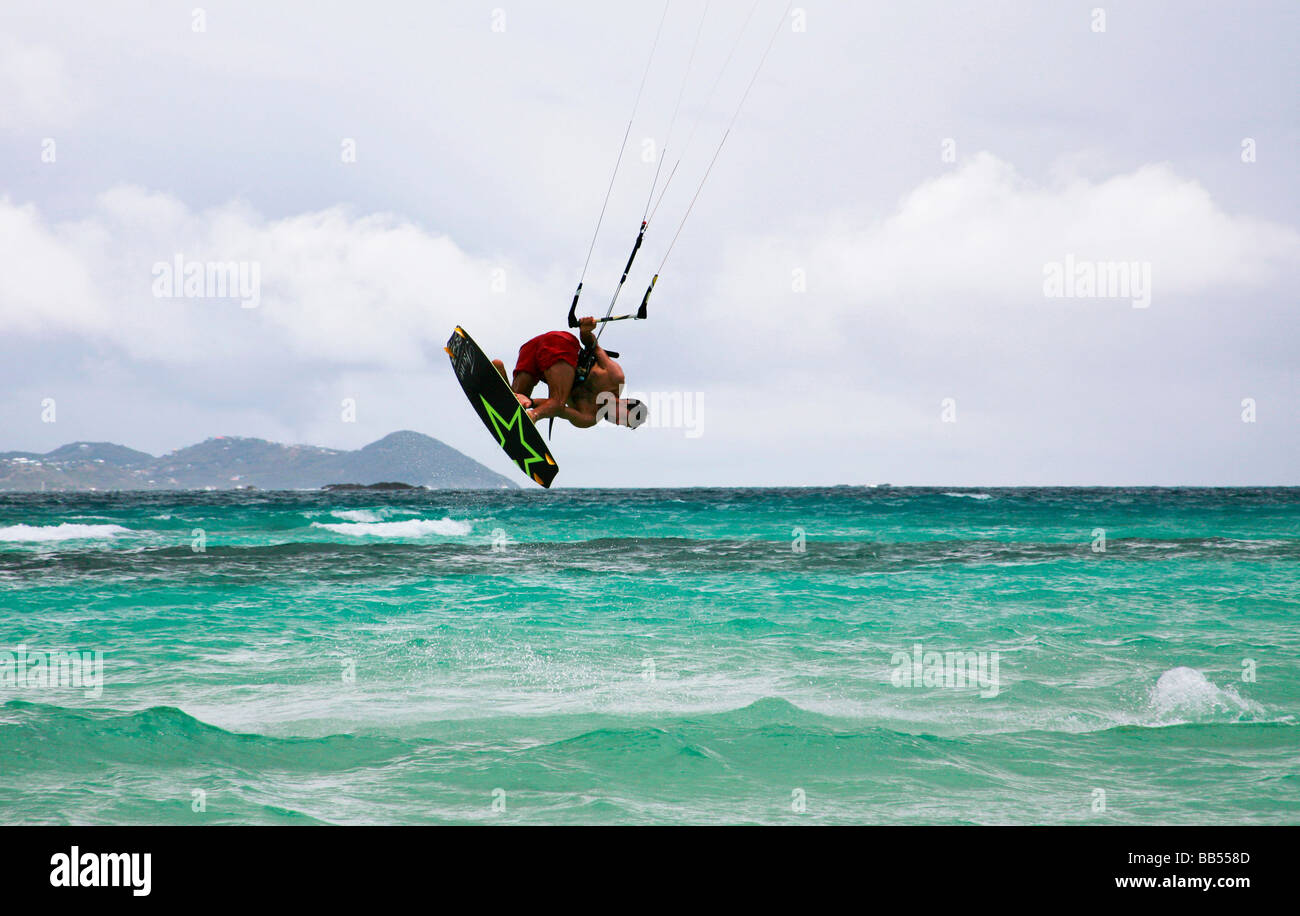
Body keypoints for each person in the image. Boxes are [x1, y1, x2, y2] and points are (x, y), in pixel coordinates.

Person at [493, 317, 645, 429]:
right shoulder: (615, 378)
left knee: (512, 406)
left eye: (623, 424)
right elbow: (593, 346)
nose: (618, 422)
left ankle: (498, 371)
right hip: (561, 345)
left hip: (537, 353)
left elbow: (559, 411)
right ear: (626, 402)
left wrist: (530, 402)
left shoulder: (588, 417)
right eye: (624, 418)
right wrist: (585, 330)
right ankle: (532, 417)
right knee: (556, 402)